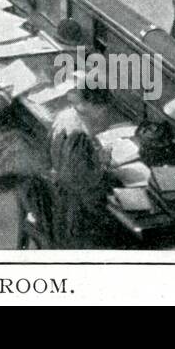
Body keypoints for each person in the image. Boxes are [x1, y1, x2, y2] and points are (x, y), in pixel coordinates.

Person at [49, 78, 115, 248]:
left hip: (59, 191)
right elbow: (86, 186)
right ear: (92, 104)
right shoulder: (79, 136)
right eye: (102, 108)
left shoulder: (65, 115)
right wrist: (104, 165)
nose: (104, 113)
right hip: (72, 212)